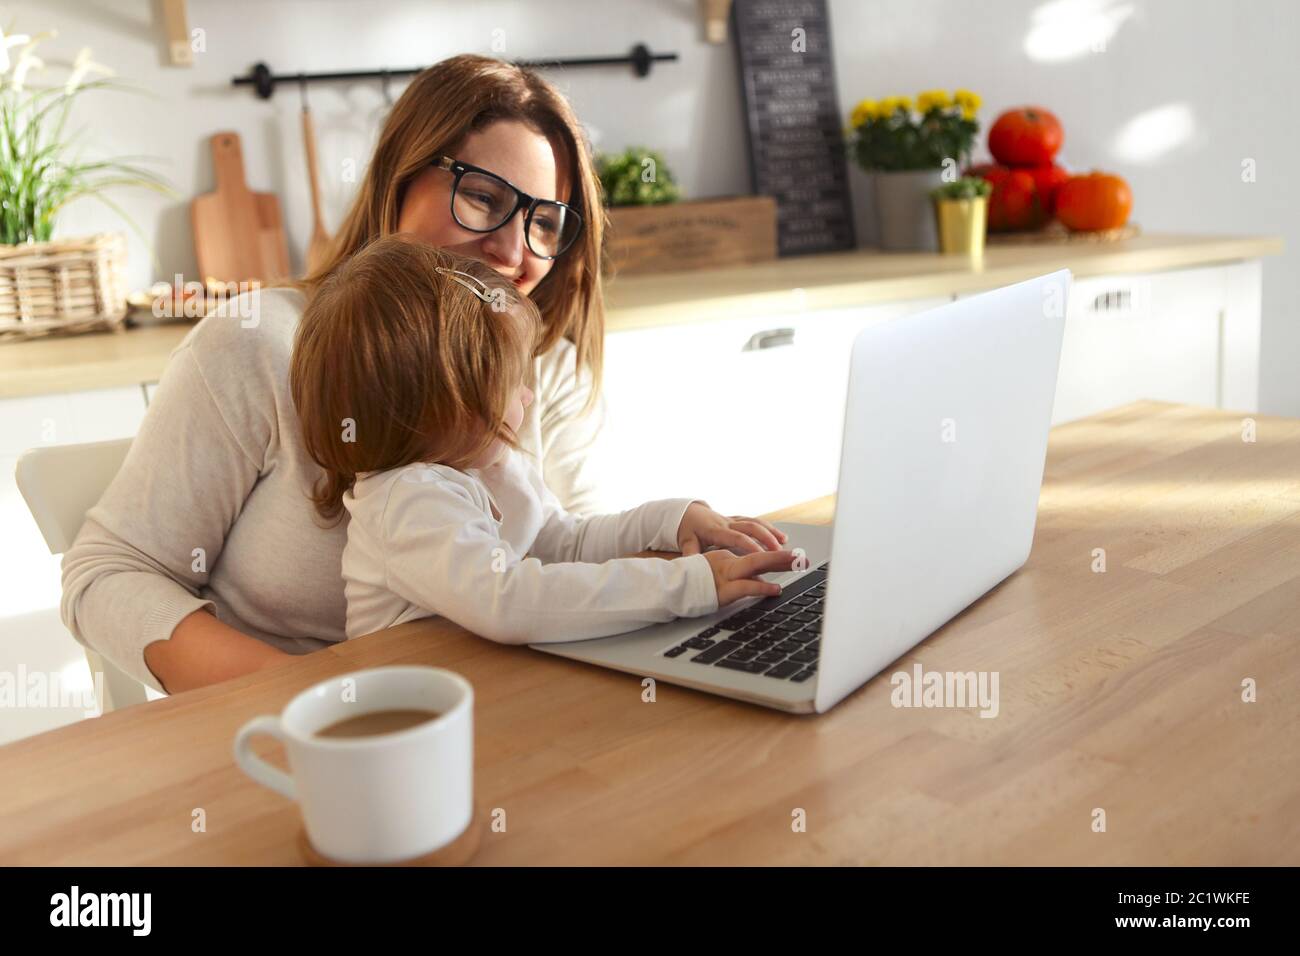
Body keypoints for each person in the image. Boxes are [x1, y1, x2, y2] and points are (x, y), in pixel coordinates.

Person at [61, 55, 617, 693]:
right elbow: (107, 577)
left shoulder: (549, 371)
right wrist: (326, 702)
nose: (514, 251)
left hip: (502, 721)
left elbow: (580, 555)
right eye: (484, 197)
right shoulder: (259, 344)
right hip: (283, 743)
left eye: (543, 222)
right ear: (399, 179)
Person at [291, 237, 793, 643]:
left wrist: (671, 519)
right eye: (513, 383)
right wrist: (690, 583)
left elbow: (566, 541)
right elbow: (508, 601)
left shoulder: (490, 466)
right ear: (453, 405)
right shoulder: (406, 501)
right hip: (415, 722)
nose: (528, 396)